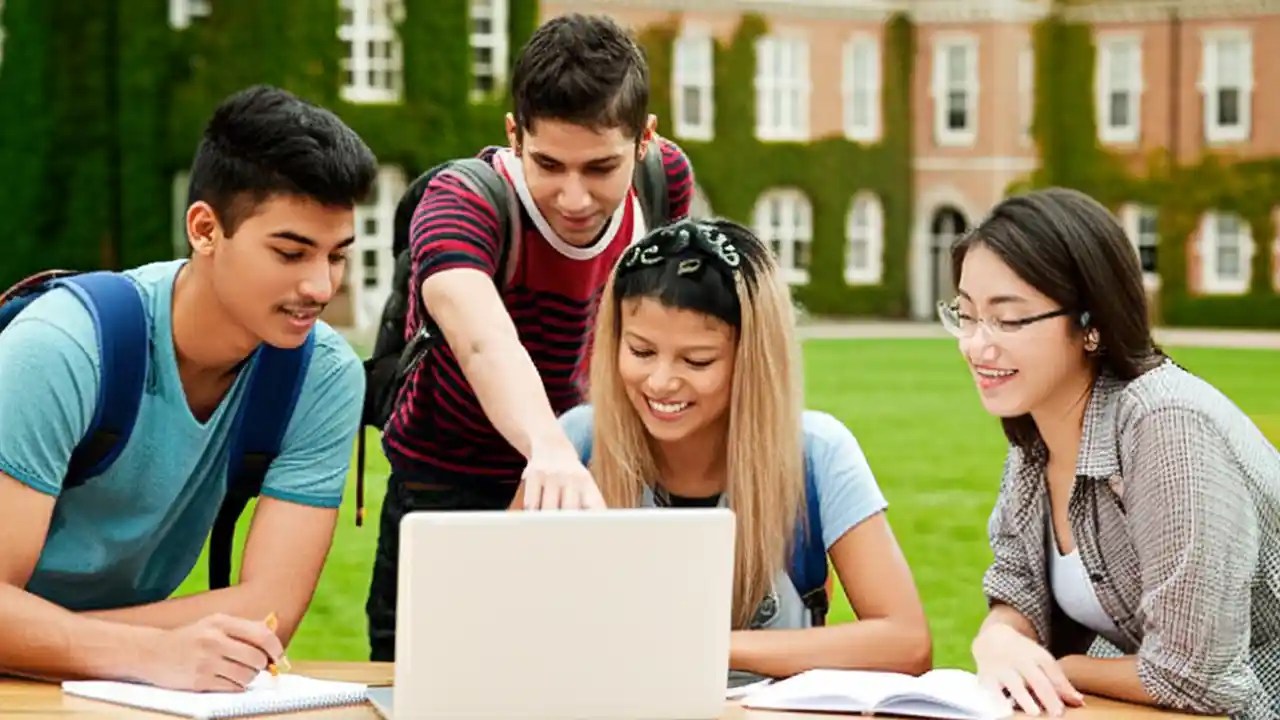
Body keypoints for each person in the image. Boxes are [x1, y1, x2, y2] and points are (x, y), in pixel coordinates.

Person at [0, 85, 376, 690]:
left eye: (336, 257)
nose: (319, 286)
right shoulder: (62, 348)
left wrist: (62, 641)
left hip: (97, 685)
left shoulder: (323, 374)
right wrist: (142, 652)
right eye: (290, 251)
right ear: (204, 229)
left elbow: (267, 613)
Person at [367, 13, 695, 660]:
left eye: (600, 167)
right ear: (514, 134)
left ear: (645, 140)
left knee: (584, 677)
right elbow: (483, 337)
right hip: (447, 488)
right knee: (434, 685)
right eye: (548, 164)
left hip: (587, 479)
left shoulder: (664, 183)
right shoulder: (464, 200)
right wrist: (548, 446)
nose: (573, 198)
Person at [512, 217, 932, 679]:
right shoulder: (577, 445)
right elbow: (497, 613)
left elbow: (906, 643)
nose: (661, 382)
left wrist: (703, 644)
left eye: (697, 360)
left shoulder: (816, 454)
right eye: (641, 351)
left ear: (753, 360)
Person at [945, 187, 1280, 719]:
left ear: (1090, 324)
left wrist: (1060, 667)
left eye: (1008, 320)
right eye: (965, 315)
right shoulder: (1036, 438)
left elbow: (1196, 676)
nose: (975, 345)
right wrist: (1000, 640)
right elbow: (1016, 584)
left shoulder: (1167, 426)